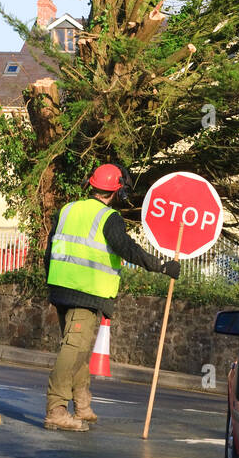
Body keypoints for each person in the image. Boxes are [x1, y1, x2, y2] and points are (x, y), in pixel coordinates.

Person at [43, 163, 180, 431]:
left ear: (91, 184)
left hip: (61, 287)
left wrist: (52, 282)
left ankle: (81, 404)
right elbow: (127, 249)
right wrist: (162, 267)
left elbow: (49, 250)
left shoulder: (67, 210)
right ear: (117, 191)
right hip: (87, 291)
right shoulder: (109, 218)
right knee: (73, 349)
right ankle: (56, 409)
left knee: (79, 349)